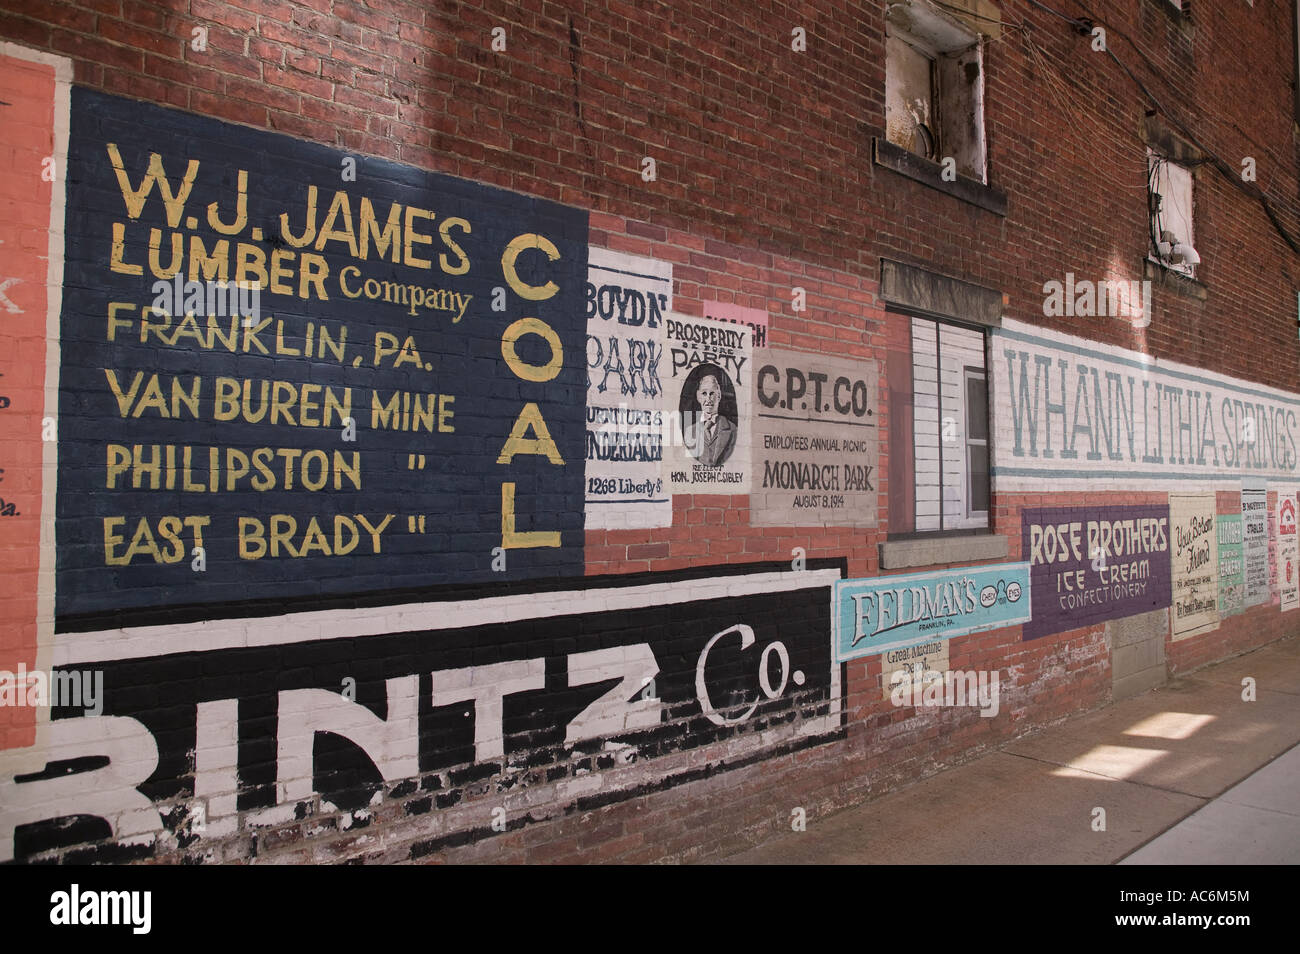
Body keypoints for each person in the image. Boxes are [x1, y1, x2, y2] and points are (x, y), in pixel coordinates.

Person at [685, 373, 735, 466]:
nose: (708, 399)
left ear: (719, 396)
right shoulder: (690, 432)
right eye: (704, 393)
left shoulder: (733, 429)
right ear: (698, 396)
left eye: (712, 393)